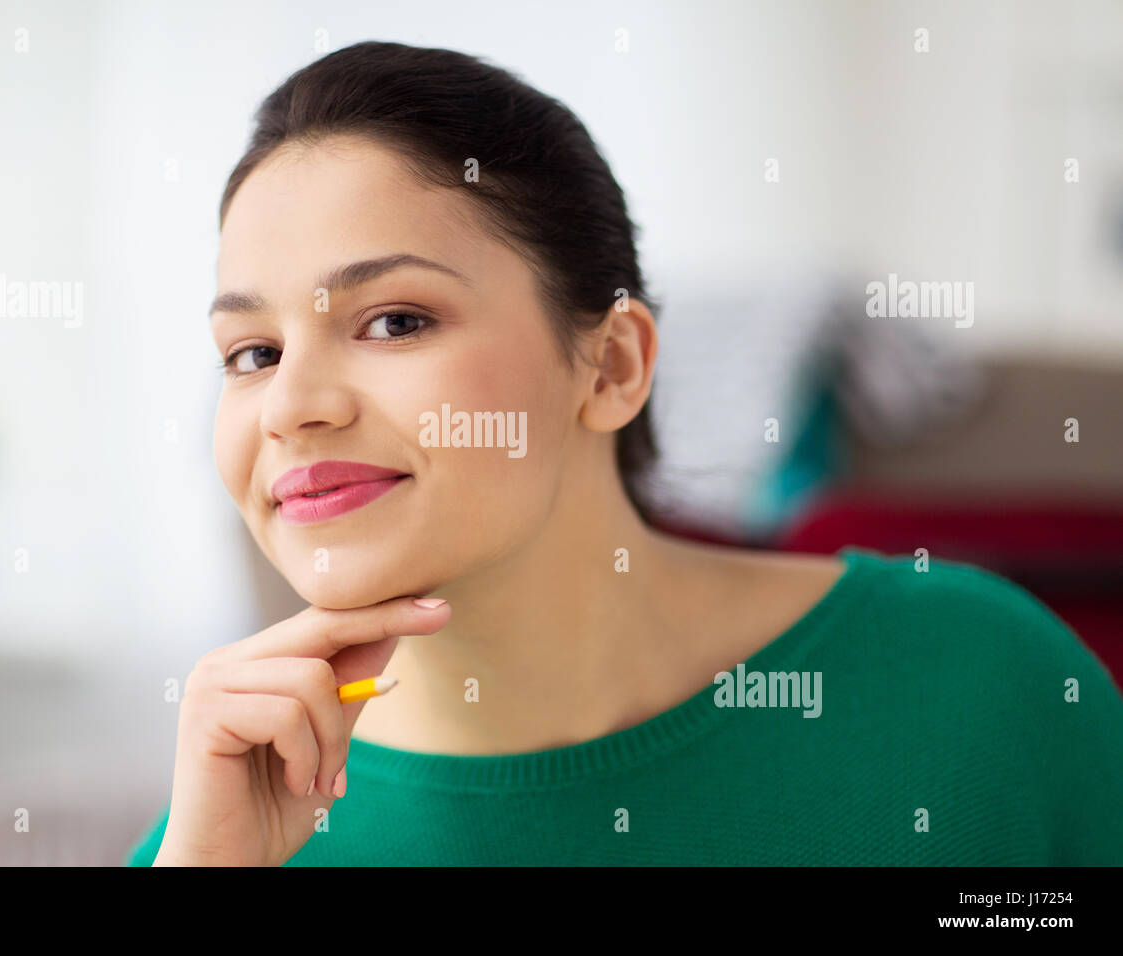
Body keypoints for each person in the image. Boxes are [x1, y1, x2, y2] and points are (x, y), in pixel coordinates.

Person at [128, 41, 1123, 866]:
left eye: (393, 320)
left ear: (609, 365)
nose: (290, 406)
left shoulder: (981, 688)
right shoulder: (219, 833)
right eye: (250, 352)